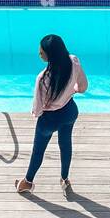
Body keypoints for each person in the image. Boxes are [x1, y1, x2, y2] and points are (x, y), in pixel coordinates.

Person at [16, 34, 88, 195]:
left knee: (38, 150)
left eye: (41, 52)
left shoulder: (42, 78)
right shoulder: (74, 61)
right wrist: (72, 91)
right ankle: (64, 179)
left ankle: (28, 181)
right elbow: (83, 87)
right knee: (65, 144)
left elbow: (37, 108)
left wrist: (40, 115)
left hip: (49, 119)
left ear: (50, 55)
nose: (39, 54)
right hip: (69, 111)